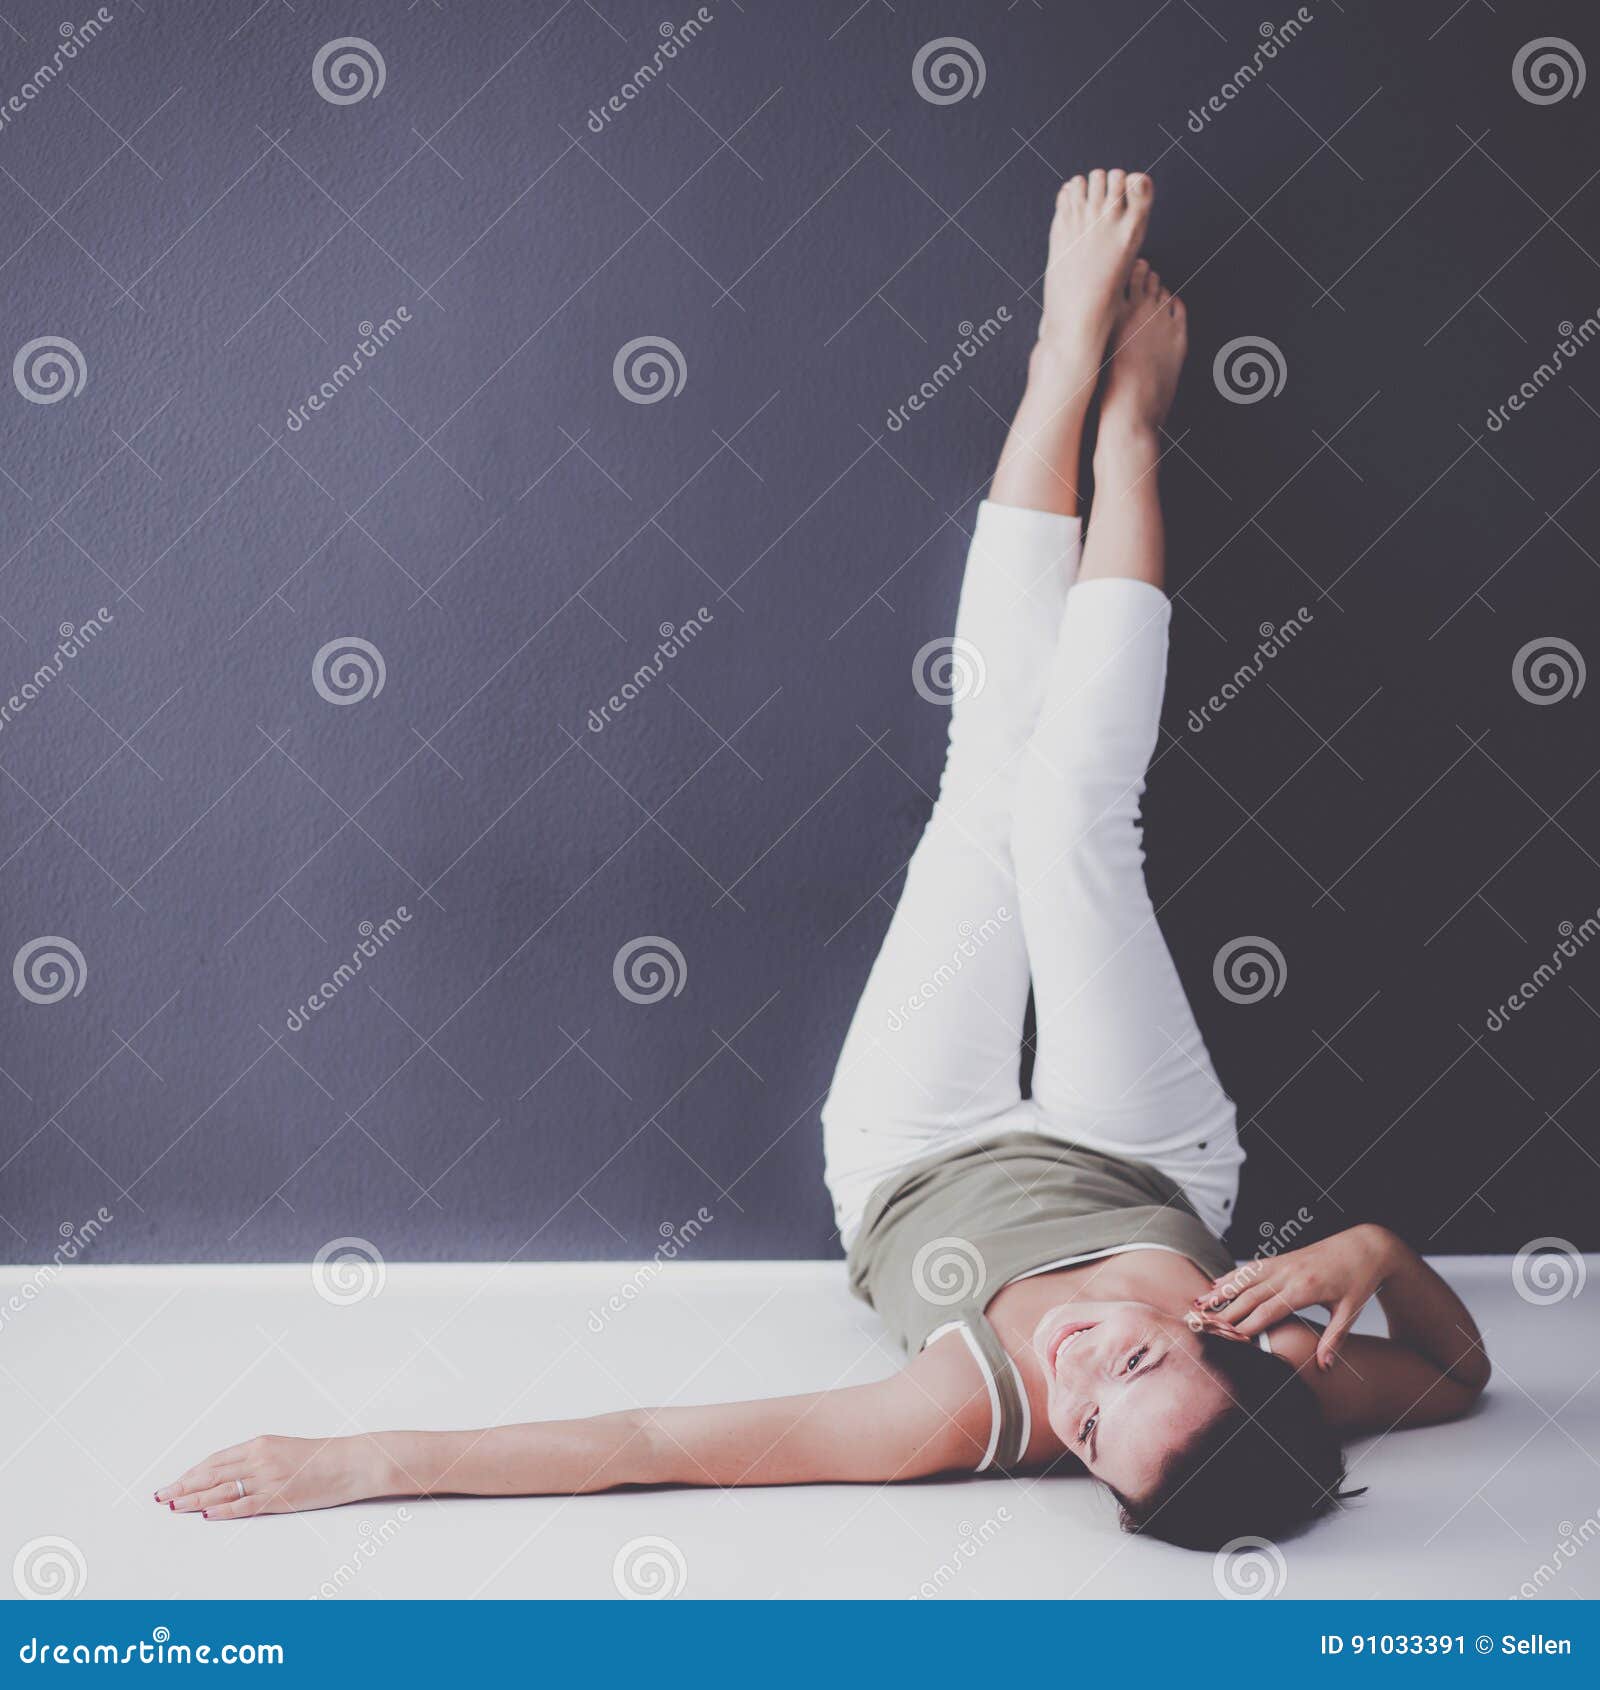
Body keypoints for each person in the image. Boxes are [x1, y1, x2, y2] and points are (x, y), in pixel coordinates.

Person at [155, 173, 1489, 1548]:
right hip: (1144, 1160)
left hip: (917, 1161)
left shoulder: (970, 1412)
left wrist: (356, 1461)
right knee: (1075, 817)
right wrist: (1374, 1251)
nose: (1082, 1363)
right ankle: (1133, 438)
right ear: (1252, 1361)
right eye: (1139, 1361)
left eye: (1089, 1427)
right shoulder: (1277, 1353)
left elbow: (654, 1441)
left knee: (993, 786)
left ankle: (1061, 377)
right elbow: (1456, 1375)